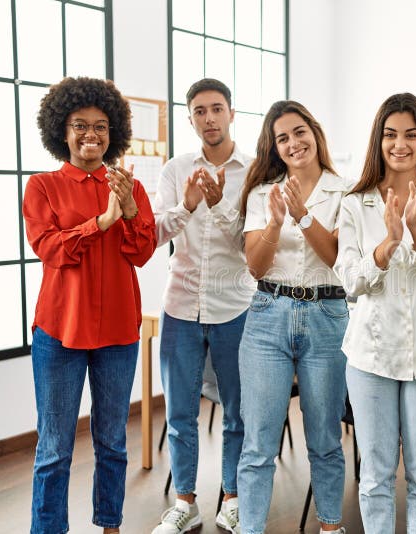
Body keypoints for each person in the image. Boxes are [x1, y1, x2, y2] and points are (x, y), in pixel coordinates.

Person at [23, 76, 157, 534]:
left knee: (113, 443)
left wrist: (130, 211)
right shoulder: (42, 187)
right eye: (80, 126)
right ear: (62, 131)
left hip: (118, 333)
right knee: (55, 449)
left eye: (101, 127)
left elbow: (141, 253)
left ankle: (110, 525)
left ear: (112, 133)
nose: (91, 136)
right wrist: (100, 222)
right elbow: (50, 250)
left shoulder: (128, 187)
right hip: (59, 332)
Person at [334, 92, 416, 533]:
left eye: (411, 135)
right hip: (370, 358)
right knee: (374, 477)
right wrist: (387, 244)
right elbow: (351, 282)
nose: (400, 144)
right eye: (390, 134)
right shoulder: (356, 203)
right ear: (379, 141)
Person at [236, 100, 349, 534]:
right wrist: (274, 222)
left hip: (326, 313)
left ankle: (330, 527)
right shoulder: (264, 194)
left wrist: (301, 216)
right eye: (282, 138)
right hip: (268, 315)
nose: (293, 143)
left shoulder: (347, 192)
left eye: (299, 132)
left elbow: (337, 258)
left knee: (324, 438)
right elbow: (255, 266)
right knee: (259, 442)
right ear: (275, 148)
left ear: (315, 134)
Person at [151, 79, 254, 534]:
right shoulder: (176, 170)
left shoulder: (254, 172)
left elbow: (255, 248)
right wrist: (188, 206)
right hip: (180, 306)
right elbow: (154, 234)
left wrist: (221, 208)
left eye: (216, 109)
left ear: (232, 113)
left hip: (236, 306)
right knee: (179, 412)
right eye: (199, 111)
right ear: (190, 118)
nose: (208, 118)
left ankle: (232, 498)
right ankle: (185, 500)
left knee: (238, 411)